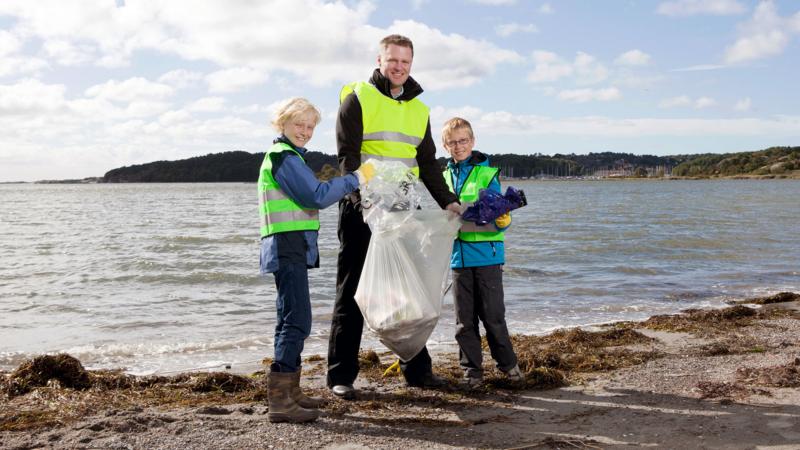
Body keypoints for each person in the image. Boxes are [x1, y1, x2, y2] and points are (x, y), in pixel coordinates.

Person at [326, 34, 461, 399]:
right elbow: (347, 159)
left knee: (409, 289)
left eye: (405, 61)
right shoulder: (358, 99)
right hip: (362, 210)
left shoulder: (420, 110)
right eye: (392, 60)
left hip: (403, 209)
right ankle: (341, 375)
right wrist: (365, 201)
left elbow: (429, 165)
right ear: (380, 60)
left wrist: (448, 202)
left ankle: (417, 371)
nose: (399, 67)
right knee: (351, 290)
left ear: (411, 64)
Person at [258, 97, 375, 422]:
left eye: (310, 126)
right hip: (287, 245)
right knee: (297, 320)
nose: (306, 131)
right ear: (282, 123)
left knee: (289, 318)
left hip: (288, 245)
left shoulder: (288, 157)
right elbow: (317, 196)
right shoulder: (283, 158)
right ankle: (281, 402)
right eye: (299, 124)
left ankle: (290, 393)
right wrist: (358, 178)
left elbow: (312, 192)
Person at [440, 117, 523, 389]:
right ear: (445, 145)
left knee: (493, 316)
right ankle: (472, 373)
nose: (458, 146)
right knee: (464, 322)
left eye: (463, 140)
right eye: (452, 142)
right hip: (458, 258)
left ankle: (509, 367)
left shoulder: (488, 174)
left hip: (488, 256)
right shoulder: (441, 177)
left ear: (472, 141)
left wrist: (503, 219)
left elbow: (504, 217)